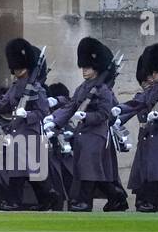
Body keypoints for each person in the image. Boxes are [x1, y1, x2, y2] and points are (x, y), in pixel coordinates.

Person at [47, 37, 127, 212]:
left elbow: (104, 114)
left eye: (88, 67)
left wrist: (86, 117)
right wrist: (54, 121)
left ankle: (86, 202)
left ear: (96, 68)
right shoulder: (83, 88)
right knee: (89, 170)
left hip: (96, 134)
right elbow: (71, 106)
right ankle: (117, 197)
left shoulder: (103, 90)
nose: (84, 70)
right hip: (83, 133)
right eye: (83, 67)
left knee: (89, 168)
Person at [117, 43, 158, 212]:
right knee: (156, 171)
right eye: (152, 71)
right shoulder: (153, 91)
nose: (153, 75)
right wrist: (120, 109)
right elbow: (137, 103)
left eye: (156, 72)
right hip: (153, 137)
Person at [0, 37, 55, 211]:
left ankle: (27, 200)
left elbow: (43, 111)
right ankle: (42, 197)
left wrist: (27, 114)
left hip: (29, 132)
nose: (17, 69)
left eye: (20, 66)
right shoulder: (15, 86)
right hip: (16, 131)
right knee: (20, 170)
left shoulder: (36, 88)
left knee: (26, 170)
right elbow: (3, 104)